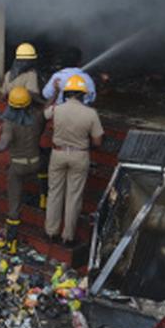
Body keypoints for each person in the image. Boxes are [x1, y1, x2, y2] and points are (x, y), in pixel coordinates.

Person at [0, 87, 45, 254]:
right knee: (45, 159)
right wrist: (32, 95)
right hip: (37, 163)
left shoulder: (10, 123)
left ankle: (11, 244)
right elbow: (43, 103)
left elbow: (2, 146)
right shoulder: (39, 116)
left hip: (18, 167)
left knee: (14, 207)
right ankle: (43, 198)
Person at [43, 75, 103, 245]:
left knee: (54, 192)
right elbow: (98, 141)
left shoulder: (57, 109)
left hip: (58, 154)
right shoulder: (91, 114)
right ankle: (67, 237)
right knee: (74, 196)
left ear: (66, 93)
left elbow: (44, 113)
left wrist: (54, 93)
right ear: (83, 95)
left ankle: (51, 232)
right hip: (80, 155)